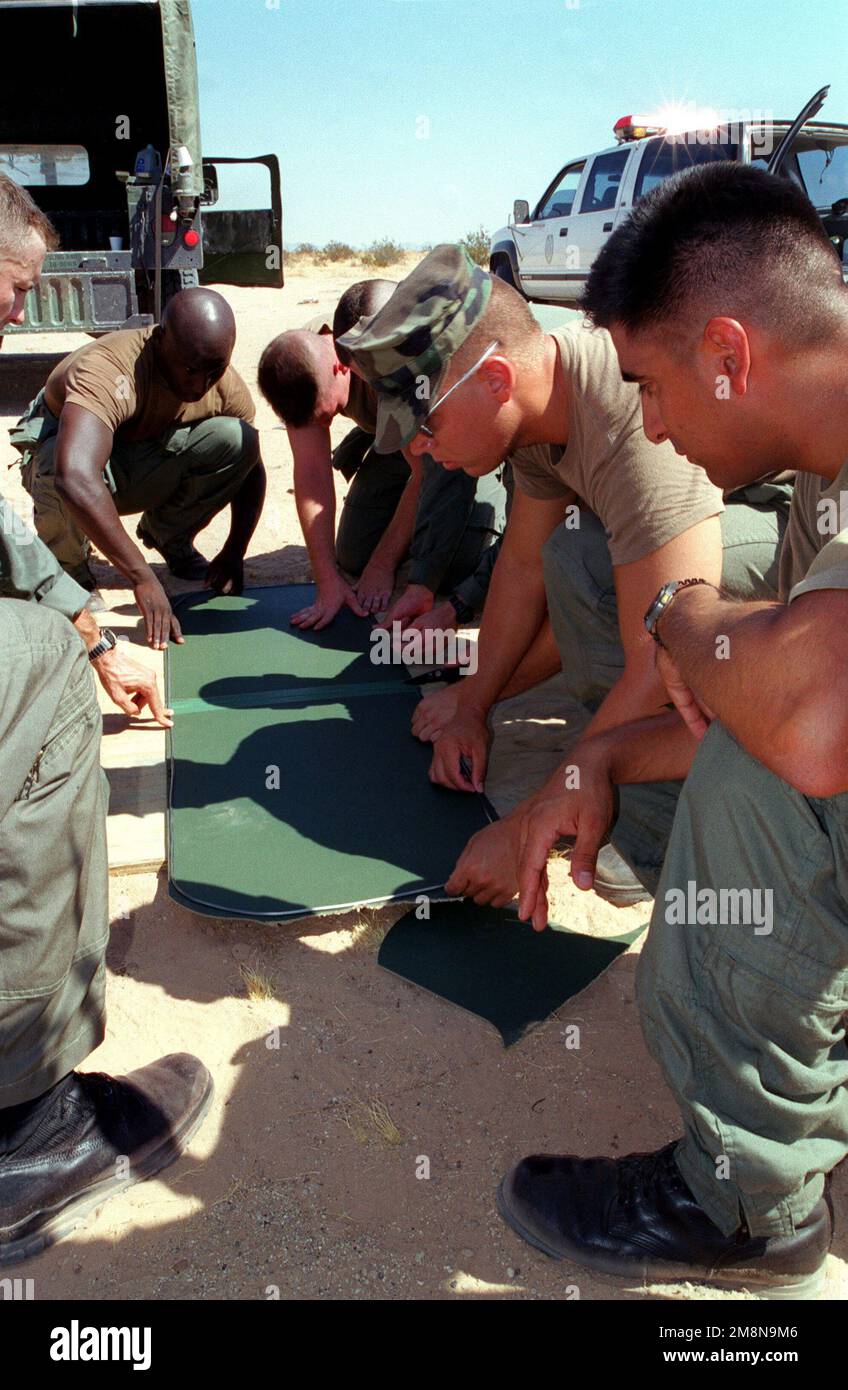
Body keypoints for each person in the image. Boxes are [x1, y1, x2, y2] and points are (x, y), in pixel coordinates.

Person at [496, 161, 848, 1297]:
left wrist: (679, 611)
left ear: (728, 355)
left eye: (648, 384)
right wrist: (597, 754)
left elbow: (804, 727)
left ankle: (744, 1207)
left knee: (756, 783)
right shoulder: (816, 484)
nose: (644, 421)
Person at [338, 245, 790, 904]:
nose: (416, 448)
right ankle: (621, 768)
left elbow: (654, 660)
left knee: (600, 578)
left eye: (426, 423)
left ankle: (659, 820)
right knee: (566, 560)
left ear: (495, 380)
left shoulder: (623, 409)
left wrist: (529, 823)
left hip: (803, 547)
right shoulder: (534, 413)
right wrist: (472, 706)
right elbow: (520, 568)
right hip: (714, 544)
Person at [0, 173, 211, 1265]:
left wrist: (90, 620)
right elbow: (51, 494)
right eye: (17, 285)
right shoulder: (97, 375)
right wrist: (71, 641)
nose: (17, 310)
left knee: (50, 639)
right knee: (35, 675)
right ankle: (25, 1128)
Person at [13, 286, 266, 649]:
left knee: (237, 438)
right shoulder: (110, 368)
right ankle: (72, 570)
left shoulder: (220, 382)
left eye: (214, 372)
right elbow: (75, 476)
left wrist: (235, 550)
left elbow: (250, 467)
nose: (200, 385)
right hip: (71, 465)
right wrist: (141, 577)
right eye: (191, 370)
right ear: (160, 339)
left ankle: (169, 537)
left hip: (134, 462)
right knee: (58, 463)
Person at [257, 277, 508, 632]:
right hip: (389, 442)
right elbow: (312, 476)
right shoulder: (298, 368)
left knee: (457, 564)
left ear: (341, 368)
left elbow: (425, 470)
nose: (322, 424)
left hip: (446, 442)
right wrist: (327, 581)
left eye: (326, 416)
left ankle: (493, 493)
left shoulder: (391, 360)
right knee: (352, 556)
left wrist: (385, 563)